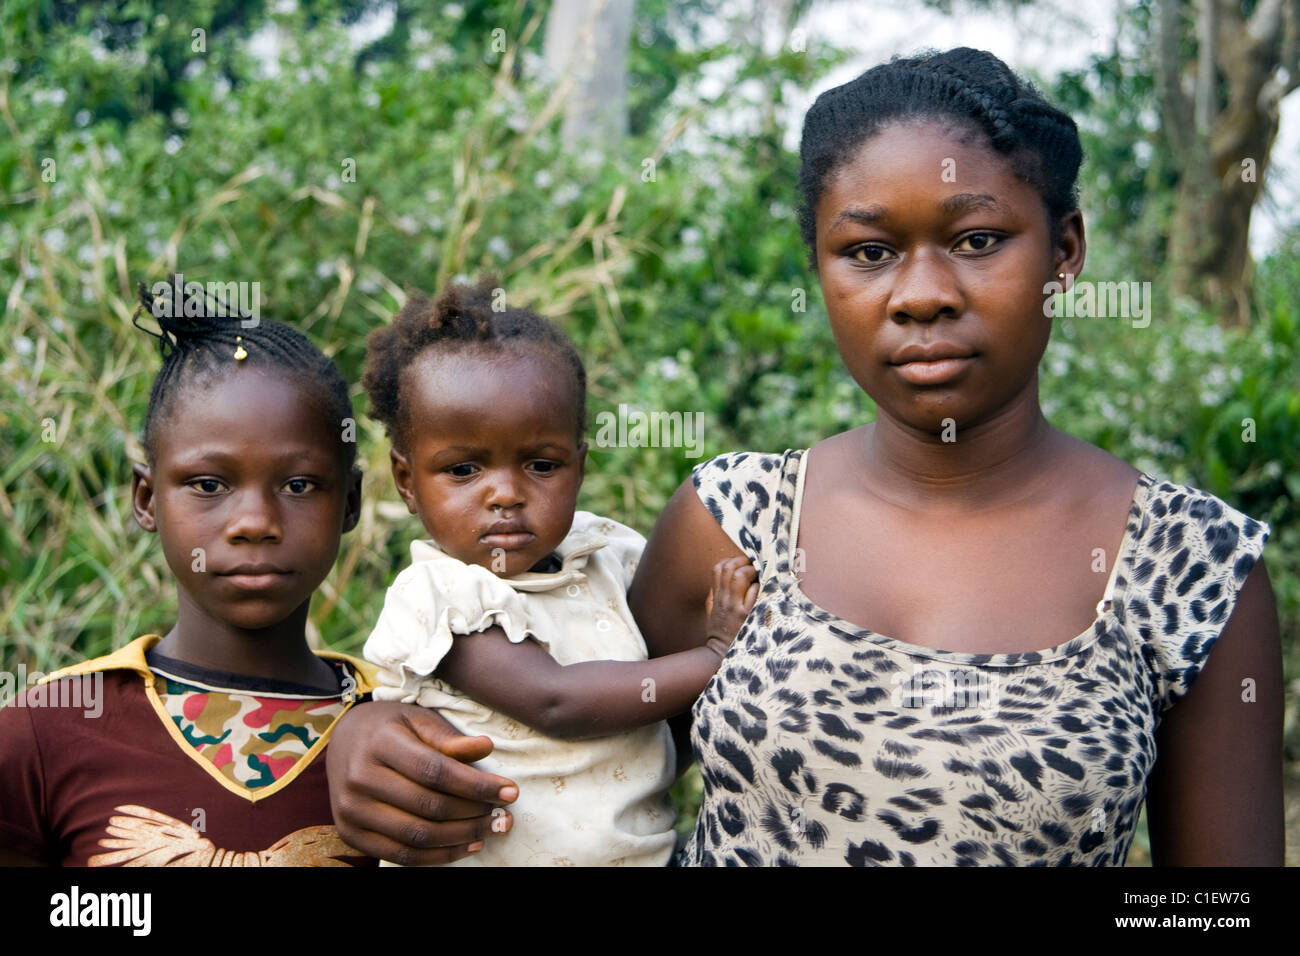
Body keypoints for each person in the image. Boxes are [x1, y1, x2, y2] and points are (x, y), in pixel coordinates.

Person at [326, 48, 1282, 866]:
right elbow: (568, 735)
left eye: (979, 240)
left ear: (1065, 251)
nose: (921, 294)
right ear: (819, 269)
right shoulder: (733, 519)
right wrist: (363, 732)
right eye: (868, 252)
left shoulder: (1193, 568)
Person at [357, 280, 758, 866]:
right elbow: (556, 701)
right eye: (463, 469)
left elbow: (659, 722)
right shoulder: (440, 596)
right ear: (406, 482)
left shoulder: (608, 555)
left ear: (579, 466)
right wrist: (717, 655)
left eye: (541, 465)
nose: (505, 495)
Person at [0, 279, 379, 866]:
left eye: (299, 485)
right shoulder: (45, 732)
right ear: (147, 499)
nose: (254, 522)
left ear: (350, 502)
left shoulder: (403, 723)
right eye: (209, 484)